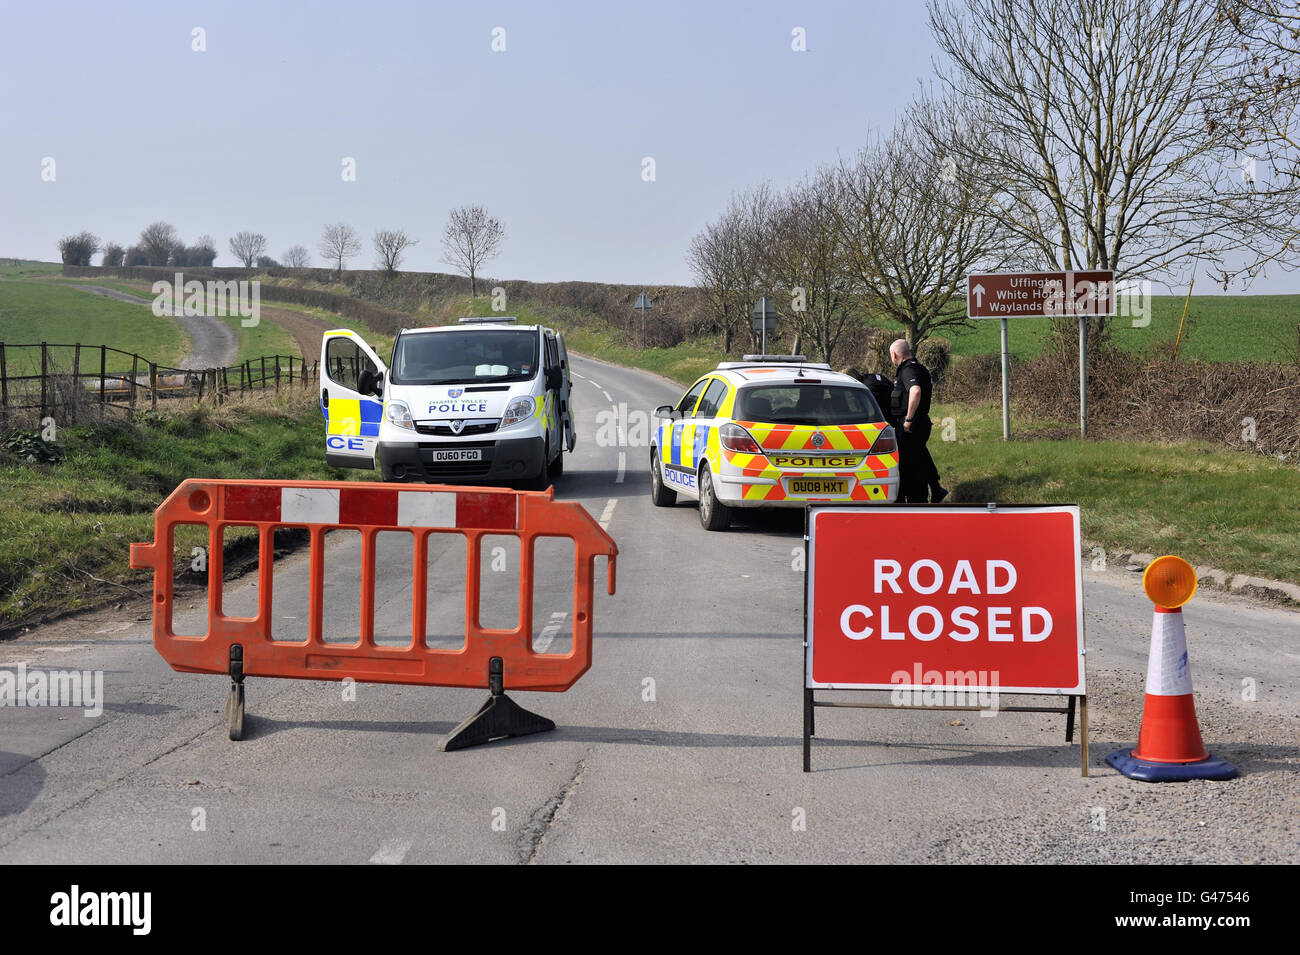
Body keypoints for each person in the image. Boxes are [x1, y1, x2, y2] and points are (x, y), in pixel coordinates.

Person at [889, 339, 948, 504]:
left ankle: (913, 498)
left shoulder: (908, 370)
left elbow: (915, 391)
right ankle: (934, 489)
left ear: (894, 355)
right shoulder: (920, 368)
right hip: (921, 421)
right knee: (919, 456)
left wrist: (908, 419)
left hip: (911, 424)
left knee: (908, 464)